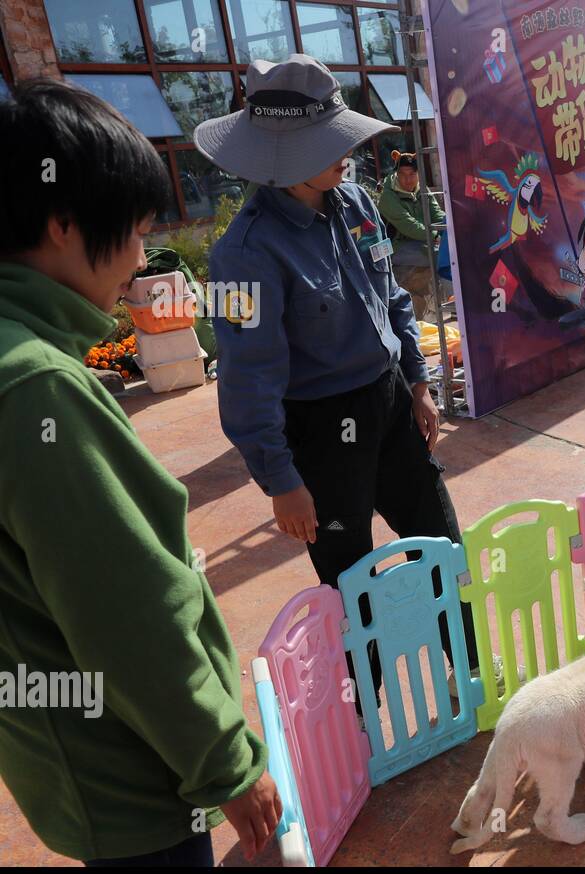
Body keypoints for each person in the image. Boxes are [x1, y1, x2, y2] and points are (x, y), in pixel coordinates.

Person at [0, 80, 279, 866]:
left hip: (70, 760)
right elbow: (126, 618)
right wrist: (224, 761)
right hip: (135, 781)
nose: (138, 259)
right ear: (61, 226)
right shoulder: (36, 389)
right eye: (132, 232)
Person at [195, 56, 507, 696]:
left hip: (390, 403)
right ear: (282, 156)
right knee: (350, 577)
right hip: (319, 431)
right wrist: (281, 481)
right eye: (329, 142)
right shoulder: (243, 256)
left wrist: (418, 384)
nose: (349, 153)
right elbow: (248, 380)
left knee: (440, 541)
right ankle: (365, 708)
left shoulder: (357, 203)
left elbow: (392, 298)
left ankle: (469, 669)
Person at [378, 150, 445, 326]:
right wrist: (435, 235)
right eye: (402, 174)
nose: (407, 180)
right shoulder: (387, 196)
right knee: (437, 255)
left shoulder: (421, 189)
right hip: (392, 247)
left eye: (412, 174)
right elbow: (408, 225)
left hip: (418, 242)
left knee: (447, 251)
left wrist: (448, 227)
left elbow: (437, 214)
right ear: (396, 174)